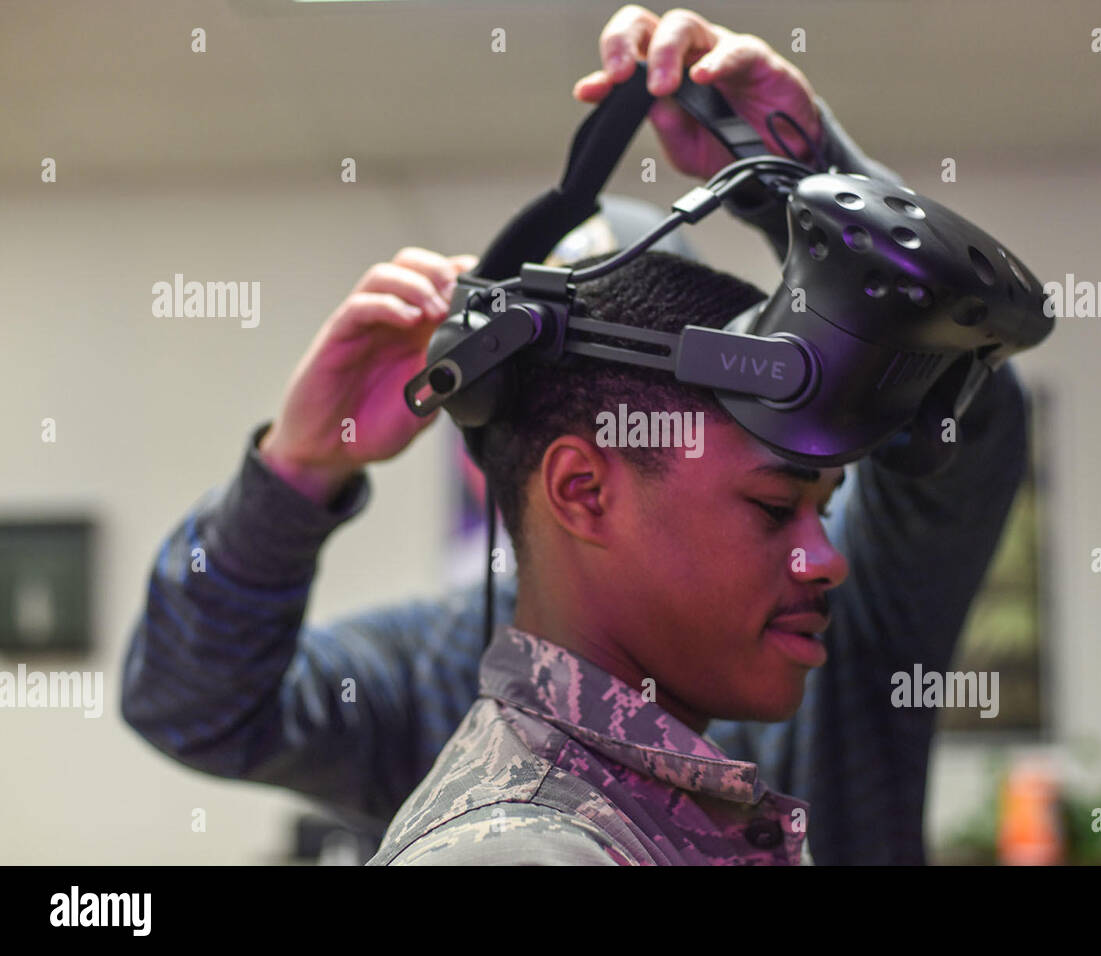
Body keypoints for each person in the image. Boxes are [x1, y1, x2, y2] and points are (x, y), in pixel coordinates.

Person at [120, 6, 1028, 864]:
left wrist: (801, 175)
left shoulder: (829, 625)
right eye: (770, 504)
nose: (821, 554)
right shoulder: (430, 676)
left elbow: (967, 419)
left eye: (813, 503)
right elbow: (192, 704)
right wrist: (296, 469)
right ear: (580, 488)